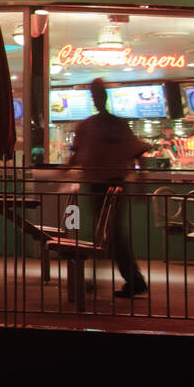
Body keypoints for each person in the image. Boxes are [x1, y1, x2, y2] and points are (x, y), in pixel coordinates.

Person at [68, 78, 151, 298]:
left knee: (109, 233)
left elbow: (75, 157)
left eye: (97, 95)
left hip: (107, 185)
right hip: (108, 184)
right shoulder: (104, 125)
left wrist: (58, 173)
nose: (97, 99)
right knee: (108, 233)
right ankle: (124, 278)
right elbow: (139, 154)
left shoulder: (94, 126)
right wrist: (141, 181)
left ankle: (133, 279)